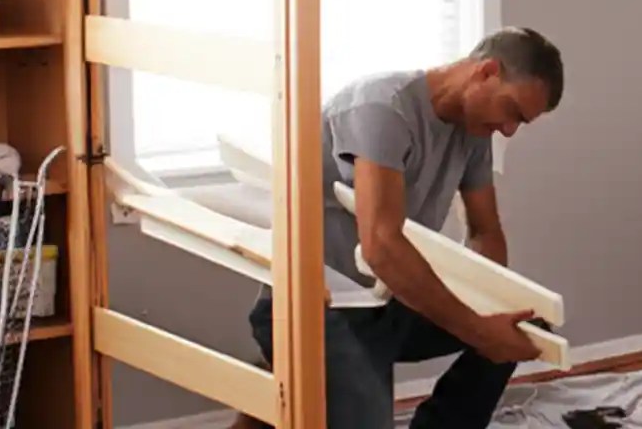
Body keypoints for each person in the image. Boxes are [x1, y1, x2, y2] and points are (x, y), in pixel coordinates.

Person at [236, 26, 565, 429]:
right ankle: (291, 375)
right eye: (512, 111)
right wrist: (479, 331)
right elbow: (381, 247)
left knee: (526, 330)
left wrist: (490, 306)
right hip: (323, 309)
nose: (510, 129)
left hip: (390, 304)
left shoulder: (474, 132)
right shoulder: (382, 108)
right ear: (486, 72)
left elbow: (485, 232)